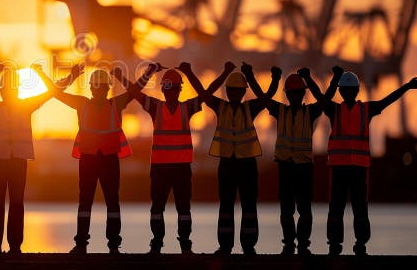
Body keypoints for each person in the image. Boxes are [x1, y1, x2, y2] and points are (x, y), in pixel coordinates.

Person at [0, 62, 81, 255]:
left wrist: (71, 76)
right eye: (5, 88)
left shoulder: (22, 106)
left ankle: (14, 247)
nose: (8, 91)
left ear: (15, 90)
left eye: (10, 88)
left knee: (14, 203)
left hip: (15, 161)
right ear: (2, 90)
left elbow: (53, 92)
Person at [312, 68, 417, 256]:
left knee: (340, 208)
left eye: (345, 89)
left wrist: (408, 87)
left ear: (343, 91)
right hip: (357, 169)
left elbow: (320, 98)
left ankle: (337, 246)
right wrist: (408, 87)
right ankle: (358, 245)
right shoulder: (365, 109)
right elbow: (388, 100)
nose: (346, 93)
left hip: (342, 169)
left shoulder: (336, 110)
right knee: (357, 208)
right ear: (356, 90)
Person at [181, 61, 279, 255]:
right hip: (228, 163)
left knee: (248, 206)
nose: (234, 94)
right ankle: (225, 246)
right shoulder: (222, 107)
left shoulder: (249, 108)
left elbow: (266, 99)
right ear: (228, 91)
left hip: (246, 164)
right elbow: (204, 93)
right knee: (226, 206)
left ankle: (248, 246)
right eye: (232, 90)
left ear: (243, 92)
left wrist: (256, 77)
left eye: (237, 90)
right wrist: (191, 72)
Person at [115, 61, 211, 255]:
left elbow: (136, 93)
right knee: (170, 209)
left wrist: (187, 72)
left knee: (170, 209)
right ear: (177, 89)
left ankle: (166, 245)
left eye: (171, 88)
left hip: (169, 168)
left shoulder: (160, 107)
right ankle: (172, 245)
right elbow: (205, 95)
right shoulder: (175, 107)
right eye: (171, 89)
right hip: (170, 168)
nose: (171, 92)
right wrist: (187, 72)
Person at [34, 64, 132, 254]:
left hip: (101, 160)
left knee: (100, 202)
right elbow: (56, 93)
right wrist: (43, 75)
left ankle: (97, 245)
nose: (100, 90)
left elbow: (136, 92)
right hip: (95, 160)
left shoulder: (104, 104)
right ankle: (90, 245)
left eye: (101, 87)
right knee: (97, 202)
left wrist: (44, 74)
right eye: (99, 87)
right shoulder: (102, 104)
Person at [243, 65, 338, 256]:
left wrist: (318, 79)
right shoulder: (280, 111)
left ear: (302, 94)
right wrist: (252, 76)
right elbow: (263, 98)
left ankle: (302, 244)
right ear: (288, 95)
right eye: (292, 93)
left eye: (297, 93)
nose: (295, 96)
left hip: (303, 167)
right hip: (286, 167)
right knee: (287, 210)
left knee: (303, 209)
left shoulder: (310, 112)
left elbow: (324, 100)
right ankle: (288, 243)